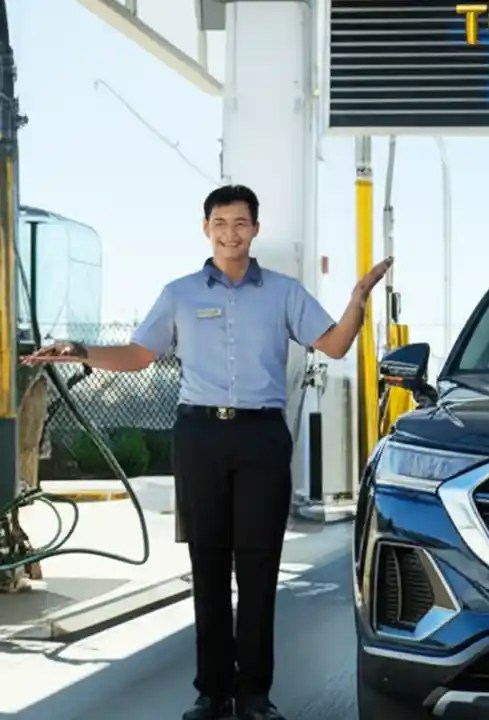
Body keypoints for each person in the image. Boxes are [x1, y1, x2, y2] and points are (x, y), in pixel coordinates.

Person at [23, 184, 391, 720]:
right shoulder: (180, 294)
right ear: (206, 229)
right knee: (210, 565)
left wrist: (357, 303)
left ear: (255, 229)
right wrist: (80, 350)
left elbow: (334, 345)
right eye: (220, 223)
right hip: (200, 438)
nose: (230, 233)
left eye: (240, 223)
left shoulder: (284, 293)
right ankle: (212, 693)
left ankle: (255, 697)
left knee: (260, 568)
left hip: (262, 438)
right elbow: (139, 353)